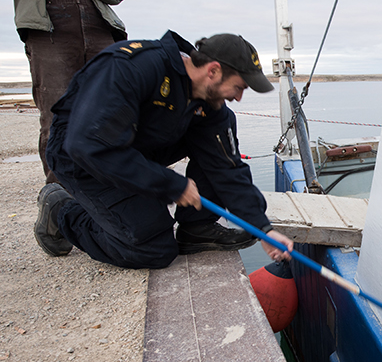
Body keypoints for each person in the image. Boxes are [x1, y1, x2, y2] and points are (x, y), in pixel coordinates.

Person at [33, 30, 293, 269]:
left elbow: (227, 167)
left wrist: (263, 229)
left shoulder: (208, 101)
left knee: (218, 131)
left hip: (135, 150)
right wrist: (170, 184)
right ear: (213, 71)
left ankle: (196, 227)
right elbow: (89, 144)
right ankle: (61, 211)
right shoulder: (132, 68)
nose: (238, 97)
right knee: (152, 249)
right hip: (82, 156)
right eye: (239, 87)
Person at [0, 0, 127, 184]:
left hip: (101, 31)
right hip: (47, 32)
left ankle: (112, 193)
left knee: (114, 115)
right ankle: (60, 198)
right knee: (58, 120)